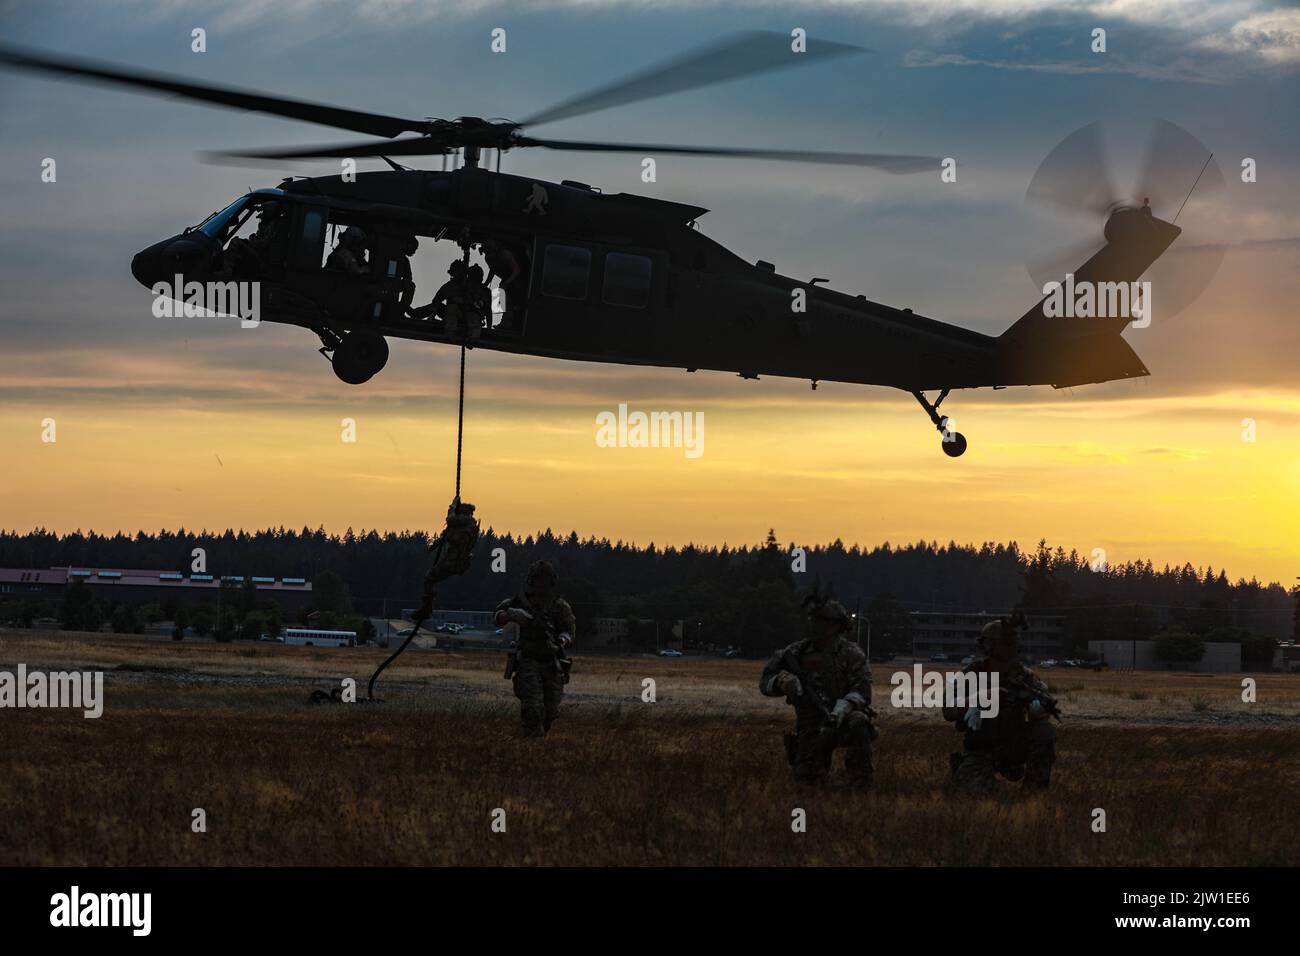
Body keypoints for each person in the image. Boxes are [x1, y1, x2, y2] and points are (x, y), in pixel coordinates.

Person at [759, 596, 876, 789]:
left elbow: (863, 691)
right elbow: (765, 681)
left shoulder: (851, 654)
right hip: (810, 724)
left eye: (821, 621)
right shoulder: (795, 652)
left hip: (843, 719)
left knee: (859, 722)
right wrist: (780, 682)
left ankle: (858, 777)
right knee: (807, 783)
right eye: (813, 619)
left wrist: (844, 706)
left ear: (836, 625)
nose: (814, 625)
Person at [945, 616, 1058, 793]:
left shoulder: (1024, 676)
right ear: (989, 646)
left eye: (1012, 643)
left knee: (1044, 730)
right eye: (1005, 644)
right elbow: (948, 709)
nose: (1010, 648)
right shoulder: (970, 674)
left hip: (1013, 747)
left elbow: (1044, 702)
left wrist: (1038, 710)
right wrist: (980, 698)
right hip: (980, 750)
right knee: (976, 792)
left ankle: (1034, 791)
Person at [495, 560, 576, 738]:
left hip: (551, 662)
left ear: (551, 581)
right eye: (538, 579)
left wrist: (562, 640)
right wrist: (510, 614)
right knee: (532, 708)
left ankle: (531, 739)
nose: (541, 584)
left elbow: (569, 632)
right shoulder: (520, 601)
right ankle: (531, 745)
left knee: (551, 711)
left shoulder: (559, 606)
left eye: (545, 580)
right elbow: (497, 616)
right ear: (531, 580)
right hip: (528, 661)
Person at [414, 498, 481, 622]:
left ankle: (426, 608)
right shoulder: (464, 526)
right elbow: (448, 536)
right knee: (430, 579)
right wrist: (433, 546)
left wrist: (452, 507)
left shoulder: (465, 525)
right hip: (455, 561)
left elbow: (450, 521)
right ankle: (426, 607)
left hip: (454, 562)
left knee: (430, 578)